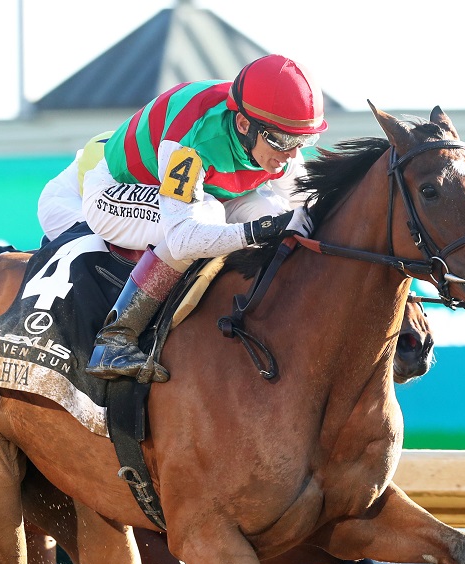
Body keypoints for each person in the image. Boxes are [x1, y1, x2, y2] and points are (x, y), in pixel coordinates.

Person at [55, 54, 326, 383]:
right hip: (119, 190)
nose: (292, 154)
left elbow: (308, 207)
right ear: (243, 124)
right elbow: (185, 238)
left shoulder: (270, 135)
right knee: (213, 219)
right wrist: (264, 230)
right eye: (283, 141)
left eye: (303, 141)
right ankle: (114, 340)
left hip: (208, 192)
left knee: (275, 212)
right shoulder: (191, 141)